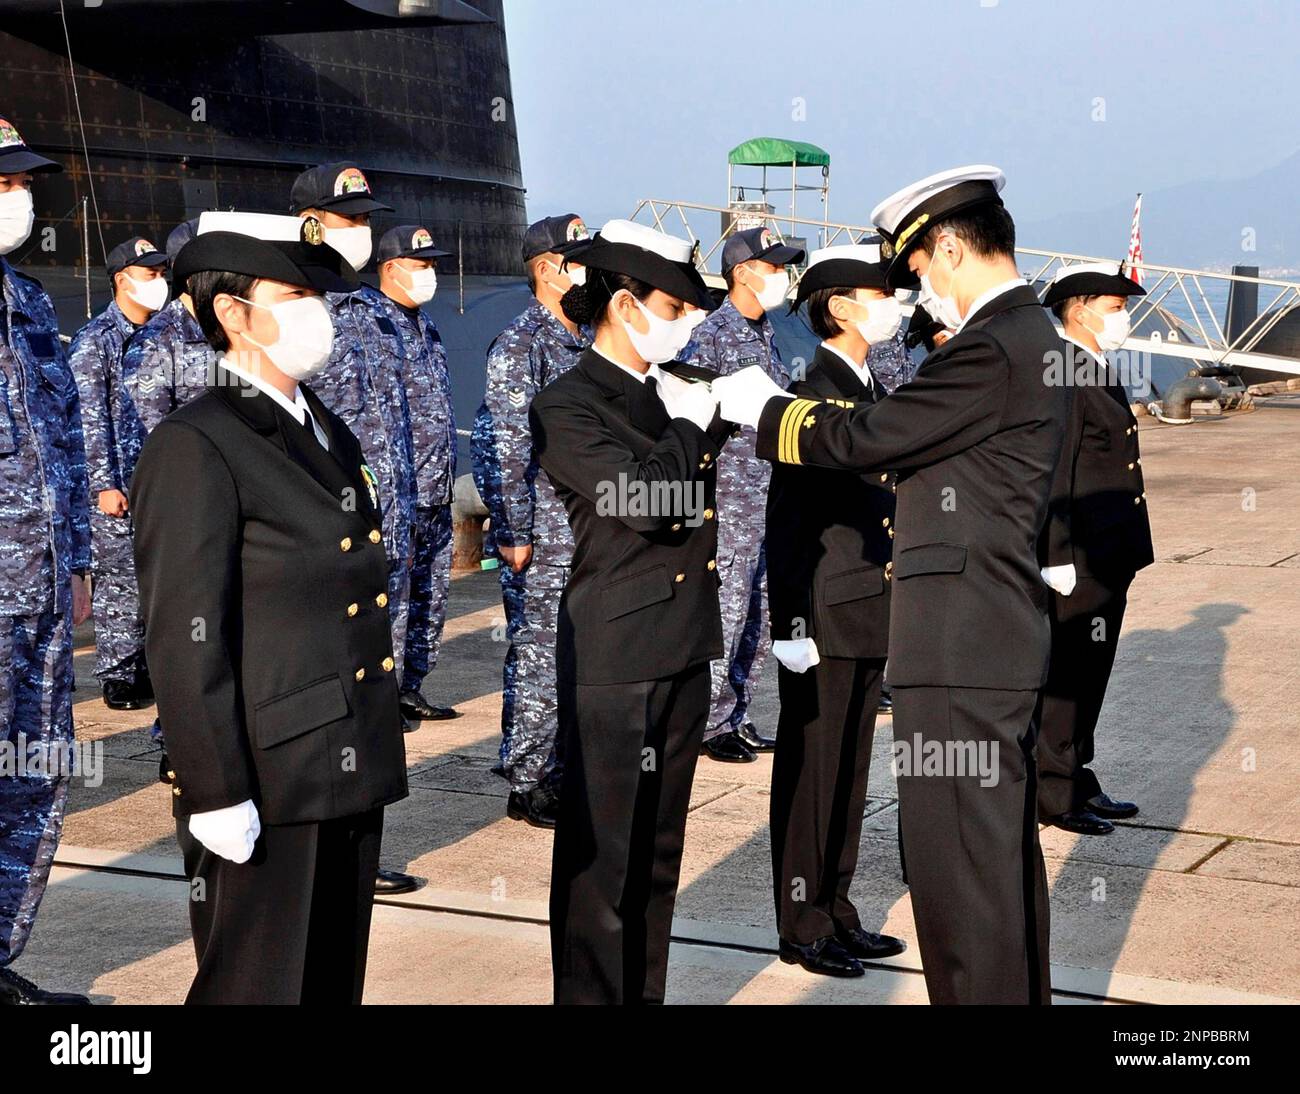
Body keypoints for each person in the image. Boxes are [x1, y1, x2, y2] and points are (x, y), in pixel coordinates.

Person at [715, 166, 1069, 1005]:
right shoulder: (1035, 337)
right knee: (996, 870)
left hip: (959, 647)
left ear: (948, 245)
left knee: (962, 884)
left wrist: (763, 410)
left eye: (917, 266)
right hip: (988, 637)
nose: (916, 287)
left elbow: (872, 436)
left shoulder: (991, 345)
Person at [130, 211, 408, 1004]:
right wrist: (216, 791)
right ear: (231, 311)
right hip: (266, 773)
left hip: (344, 757)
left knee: (325, 986)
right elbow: (186, 637)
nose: (313, 311)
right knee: (256, 987)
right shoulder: (199, 441)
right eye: (292, 293)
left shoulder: (321, 425)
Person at [530, 219, 729, 1004]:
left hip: (681, 647)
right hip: (616, 655)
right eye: (673, 306)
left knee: (655, 857)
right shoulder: (568, 403)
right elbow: (644, 503)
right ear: (622, 304)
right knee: (601, 863)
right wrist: (688, 424)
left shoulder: (674, 386)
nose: (686, 323)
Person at [765, 244, 907, 977]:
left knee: (849, 773)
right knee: (812, 774)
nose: (893, 304)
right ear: (842, 307)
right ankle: (802, 922)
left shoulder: (870, 386)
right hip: (821, 616)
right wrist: (788, 625)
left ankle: (837, 908)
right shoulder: (811, 395)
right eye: (880, 293)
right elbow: (787, 524)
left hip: (865, 609)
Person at [291, 165, 424, 895]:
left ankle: (358, 848)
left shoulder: (372, 313)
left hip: (380, 531)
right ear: (311, 223)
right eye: (347, 218)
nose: (362, 231)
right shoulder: (291, 311)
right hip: (321, 546)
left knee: (373, 696)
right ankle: (326, 841)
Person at [0, 114, 92, 1005]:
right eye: (1, 186)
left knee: (35, 770)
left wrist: (80, 561)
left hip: (38, 589)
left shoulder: (26, 300)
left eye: (21, 185)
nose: (19, 200)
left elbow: (61, 440)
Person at [471, 213, 591, 827]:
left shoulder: (588, 338)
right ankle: (528, 779)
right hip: (543, 532)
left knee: (579, 656)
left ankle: (566, 766)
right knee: (540, 656)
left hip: (589, 530)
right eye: (578, 260)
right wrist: (514, 530)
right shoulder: (522, 345)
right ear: (547, 270)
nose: (588, 271)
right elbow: (507, 446)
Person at [1037, 261, 1153, 834]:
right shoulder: (1062, 371)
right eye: (1114, 307)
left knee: (1093, 672)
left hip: (1110, 550)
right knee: (1068, 674)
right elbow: (1056, 472)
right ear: (1078, 309)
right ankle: (1054, 794)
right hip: (1079, 554)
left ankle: (1078, 775)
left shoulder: (1096, 366)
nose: (1122, 318)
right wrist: (1055, 554)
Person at [682, 226, 804, 763]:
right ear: (742, 273)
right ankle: (708, 723)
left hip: (767, 497)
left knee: (758, 612)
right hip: (729, 501)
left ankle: (737, 713)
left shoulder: (766, 333)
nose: (781, 276)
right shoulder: (710, 335)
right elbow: (689, 416)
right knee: (726, 611)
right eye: (772, 267)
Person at [69, 236, 169, 712]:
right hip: (119, 484)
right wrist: (103, 483)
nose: (159, 282)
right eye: (149, 274)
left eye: (161, 273)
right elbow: (88, 418)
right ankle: (118, 672)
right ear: (121, 280)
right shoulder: (96, 342)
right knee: (120, 579)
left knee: (157, 576)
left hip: (162, 477)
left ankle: (150, 662)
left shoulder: (167, 336)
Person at [372, 225, 460, 723]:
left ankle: (412, 686)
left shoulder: (426, 326)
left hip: (436, 490)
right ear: (390, 268)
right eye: (420, 265)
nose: (430, 275)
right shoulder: (370, 327)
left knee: (431, 599)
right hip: (396, 494)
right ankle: (385, 696)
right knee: (395, 603)